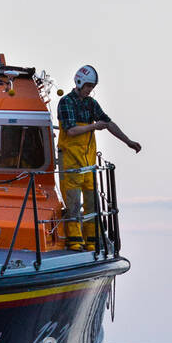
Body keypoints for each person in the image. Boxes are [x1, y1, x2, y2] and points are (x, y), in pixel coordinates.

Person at [56, 65, 141, 251]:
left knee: (92, 203)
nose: (90, 90)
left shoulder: (91, 103)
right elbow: (70, 131)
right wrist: (93, 127)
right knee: (73, 203)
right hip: (70, 162)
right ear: (79, 82)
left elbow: (108, 123)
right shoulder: (66, 102)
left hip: (88, 164)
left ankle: (92, 241)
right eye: (88, 86)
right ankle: (75, 240)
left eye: (92, 87)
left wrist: (127, 141)